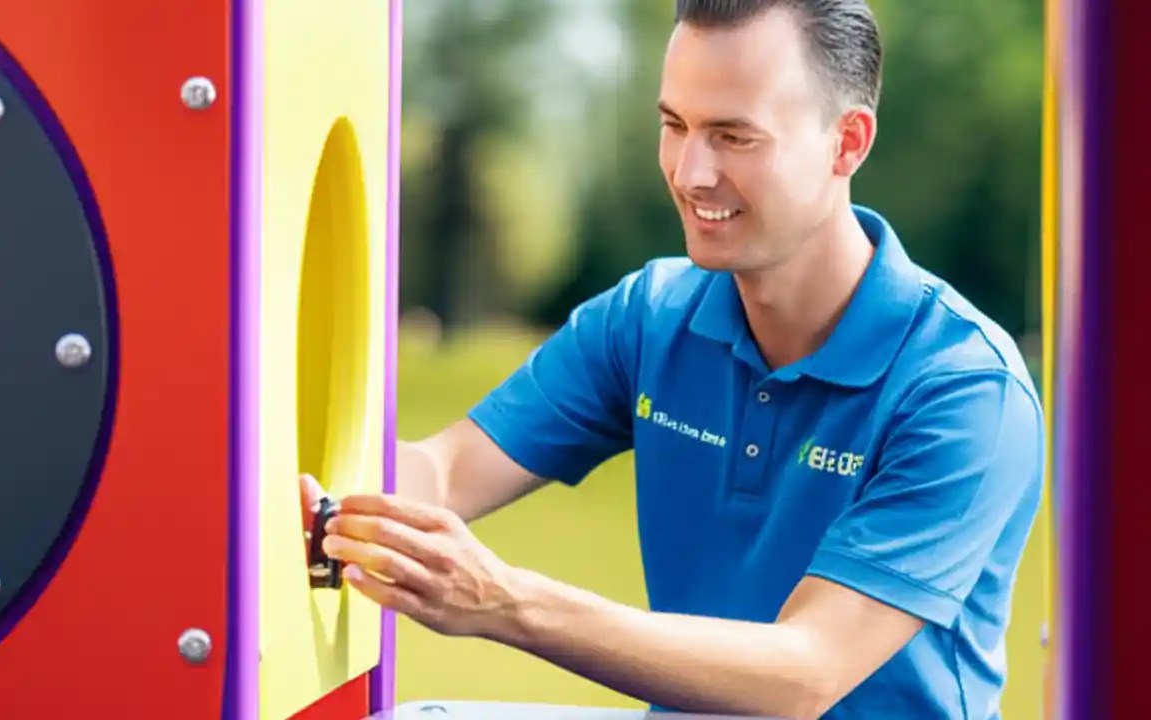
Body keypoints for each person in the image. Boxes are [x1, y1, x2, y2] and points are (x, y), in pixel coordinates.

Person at [301, 1, 1044, 717]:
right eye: (675, 125)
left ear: (847, 142)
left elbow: (806, 672)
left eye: (734, 136)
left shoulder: (964, 390)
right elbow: (448, 470)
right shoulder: (649, 318)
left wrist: (507, 603)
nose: (691, 173)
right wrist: (301, 492)